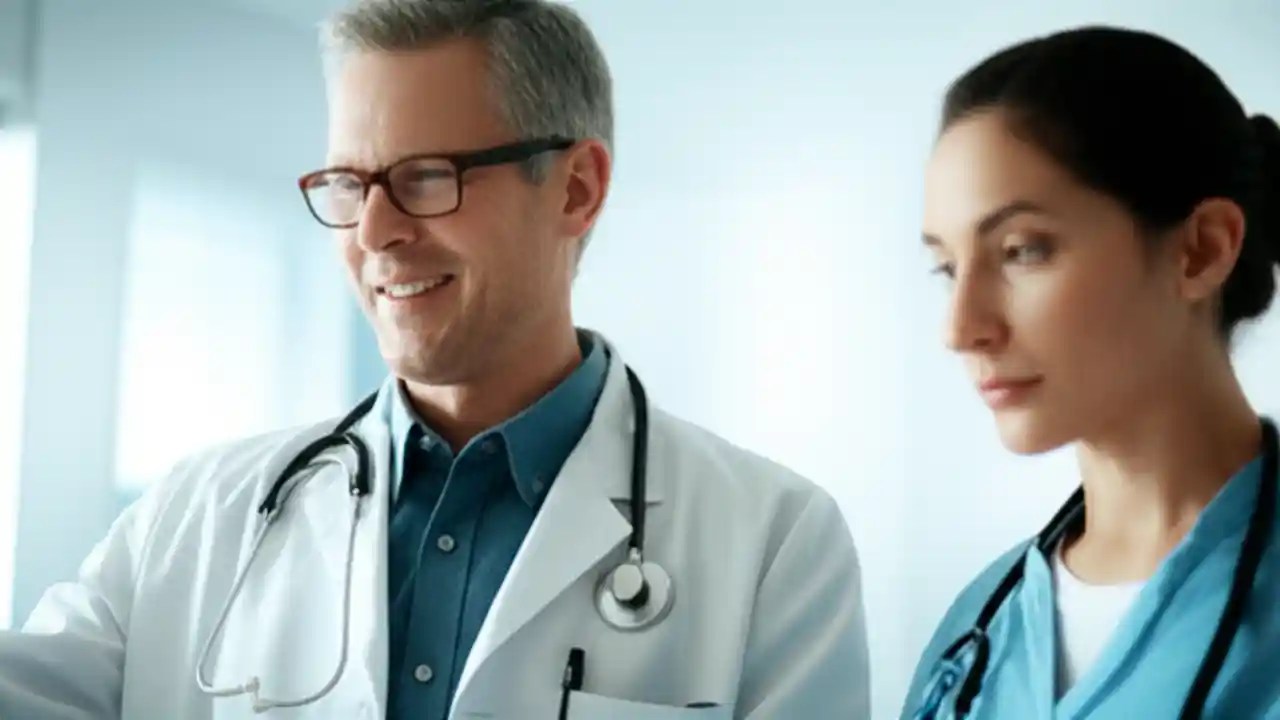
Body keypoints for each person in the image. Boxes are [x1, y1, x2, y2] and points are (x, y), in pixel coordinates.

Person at [0, 1, 871, 718]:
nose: (373, 233)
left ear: (576, 188)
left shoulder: (773, 542)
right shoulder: (193, 518)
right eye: (348, 184)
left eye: (425, 178)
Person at [902, 25, 1280, 719]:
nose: (960, 328)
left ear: (1200, 251)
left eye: (1022, 251)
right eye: (948, 268)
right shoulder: (974, 634)